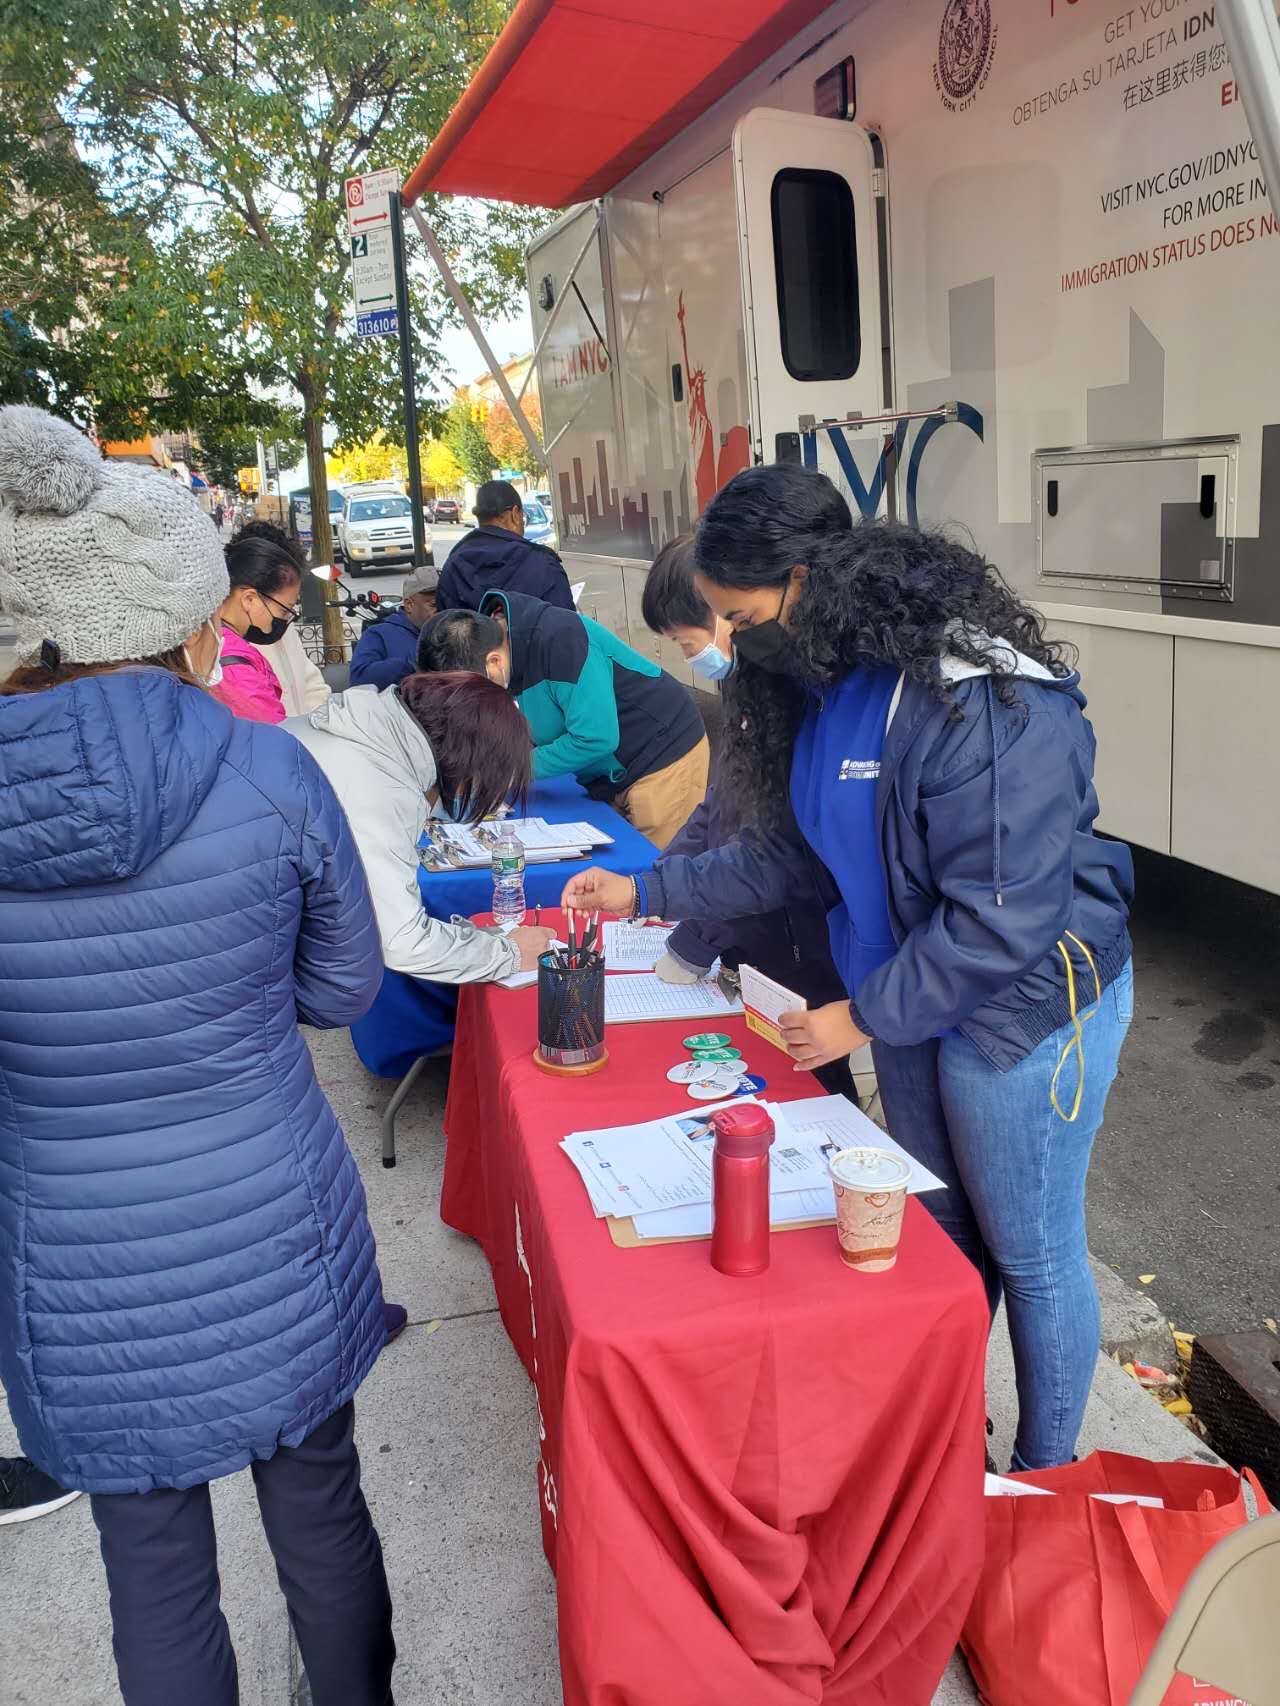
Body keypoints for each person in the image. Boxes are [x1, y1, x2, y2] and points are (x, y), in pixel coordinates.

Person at [564, 463, 1135, 1473]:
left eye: (740, 618)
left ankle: (1043, 1480)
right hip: (905, 998)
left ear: (804, 580)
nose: (728, 644)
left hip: (1019, 1008)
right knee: (942, 1222)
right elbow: (792, 851)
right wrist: (647, 894)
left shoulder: (982, 698)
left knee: (1031, 1251)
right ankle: (950, 1445)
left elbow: (999, 919)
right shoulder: (816, 684)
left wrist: (856, 1017)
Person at [0, 405, 395, 1705]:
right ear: (180, 612)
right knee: (323, 1515)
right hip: (275, 1223)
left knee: (152, 1572)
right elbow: (343, 984)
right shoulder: (268, 771)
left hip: (78, 1270)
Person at [638, 537, 857, 1102]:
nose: (692, 659)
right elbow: (718, 803)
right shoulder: (743, 682)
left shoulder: (790, 692)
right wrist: (663, 876)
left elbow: (771, 852)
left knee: (809, 1083)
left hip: (793, 936)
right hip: (750, 927)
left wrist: (689, 930)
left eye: (689, 642)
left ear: (725, 612)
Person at [286, 671, 555, 981]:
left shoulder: (370, 728)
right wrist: (509, 953)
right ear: (471, 762)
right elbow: (402, 942)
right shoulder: (380, 788)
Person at [419, 589, 710, 849]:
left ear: (493, 662)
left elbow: (595, 737)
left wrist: (510, 770)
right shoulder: (496, 648)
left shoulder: (561, 640)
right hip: (606, 774)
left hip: (661, 755)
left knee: (654, 876)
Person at [435, 478, 575, 611]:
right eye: (522, 515)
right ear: (515, 514)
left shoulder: (453, 564)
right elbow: (566, 628)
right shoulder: (543, 565)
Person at [211, 522, 303, 723]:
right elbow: (275, 734)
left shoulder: (216, 640)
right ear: (249, 599)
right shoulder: (232, 666)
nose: (284, 620)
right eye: (284, 609)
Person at [236, 520, 329, 714]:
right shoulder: (228, 651)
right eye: (284, 608)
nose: (286, 617)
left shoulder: (279, 625)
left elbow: (311, 683)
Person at [349, 564, 440, 690]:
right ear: (409, 605)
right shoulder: (378, 634)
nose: (442, 610)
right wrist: (411, 664)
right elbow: (359, 679)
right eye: (434, 604)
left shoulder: (456, 631)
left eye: (445, 602)